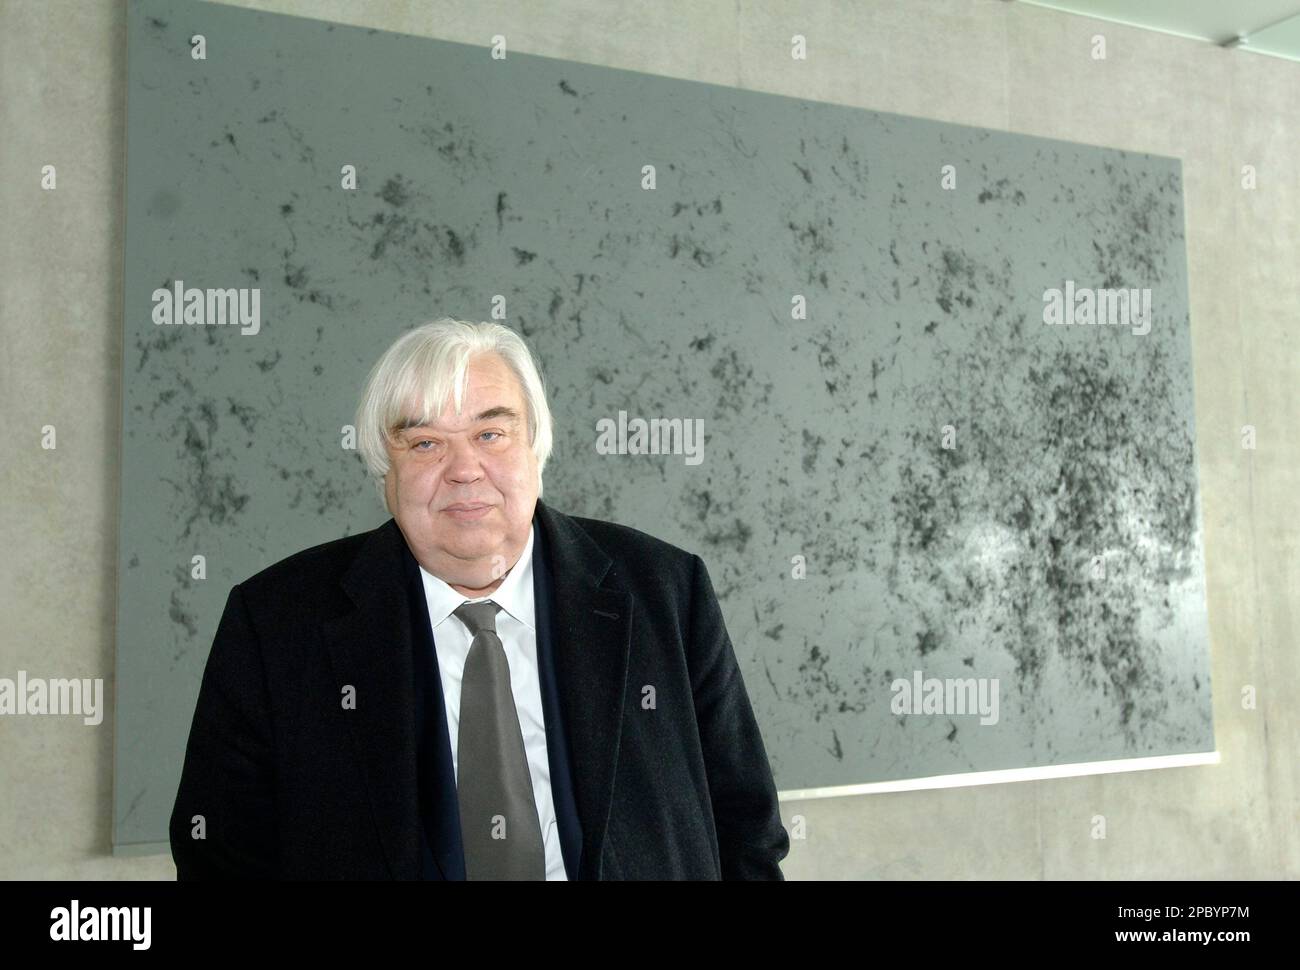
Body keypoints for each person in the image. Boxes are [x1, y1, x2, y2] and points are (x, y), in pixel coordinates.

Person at [169, 317, 789, 879]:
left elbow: (746, 830)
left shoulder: (665, 591)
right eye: (425, 443)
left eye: (491, 433)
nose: (464, 469)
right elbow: (219, 855)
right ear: (384, 470)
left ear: (536, 450)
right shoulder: (275, 623)